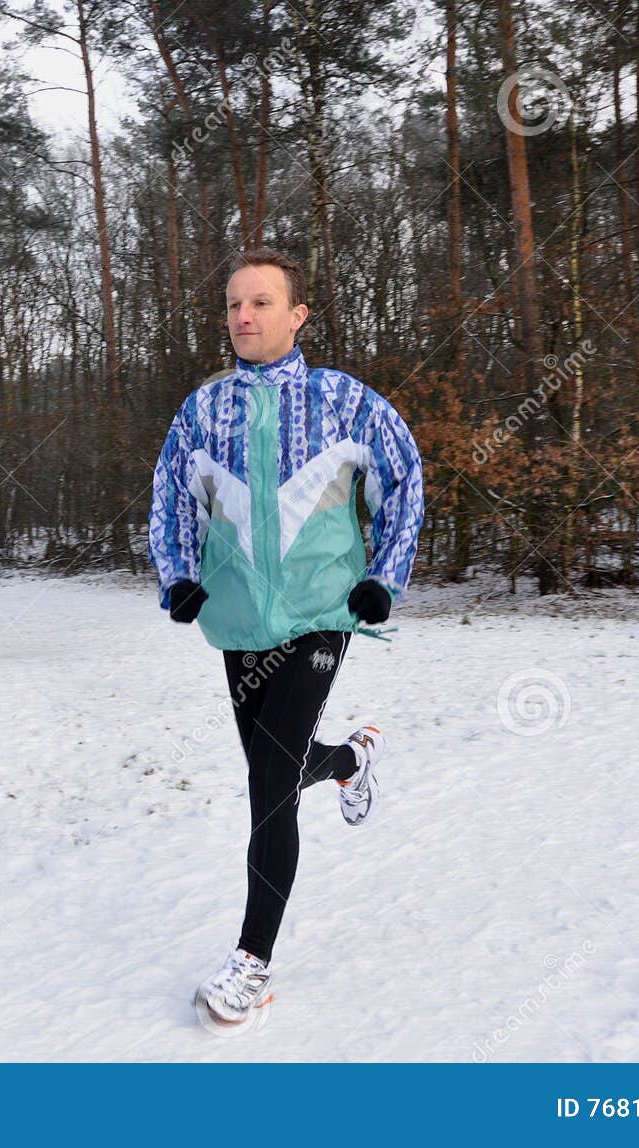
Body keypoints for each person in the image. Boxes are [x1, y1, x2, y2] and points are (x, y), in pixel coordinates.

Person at [148, 248, 425, 1026]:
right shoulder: (201, 412)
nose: (244, 316)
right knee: (282, 760)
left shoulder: (346, 401)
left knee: (269, 786)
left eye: (262, 303)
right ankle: (351, 759)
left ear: (297, 315)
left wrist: (384, 577)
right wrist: (177, 576)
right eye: (235, 304)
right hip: (239, 620)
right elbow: (170, 496)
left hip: (322, 612)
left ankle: (251, 960)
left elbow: (405, 478)